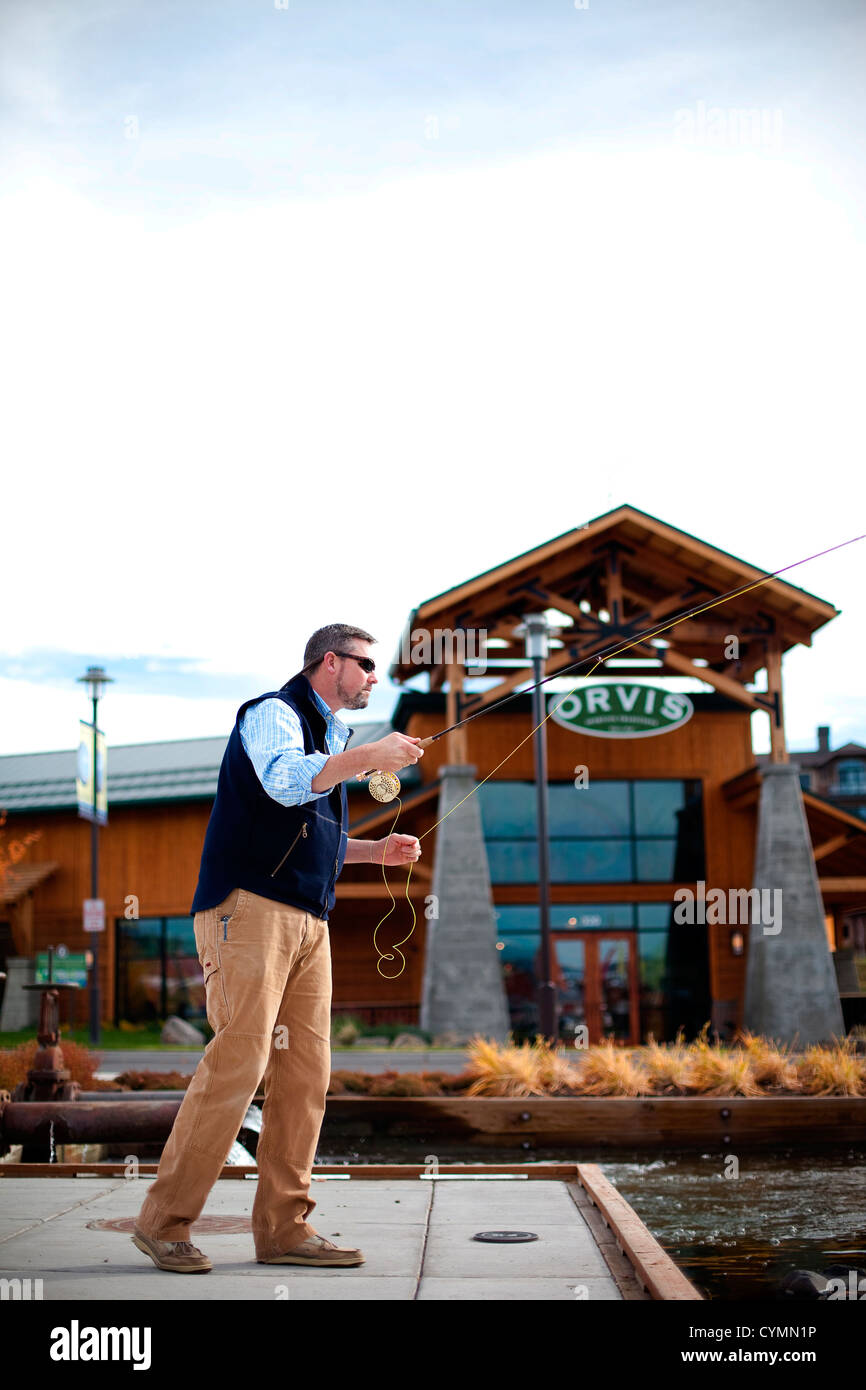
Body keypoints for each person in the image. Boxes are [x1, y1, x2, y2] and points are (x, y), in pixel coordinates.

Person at [131, 624, 424, 1273]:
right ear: (331, 662)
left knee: (305, 1073)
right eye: (366, 664)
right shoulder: (273, 713)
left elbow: (310, 833)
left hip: (307, 922)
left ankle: (283, 1230)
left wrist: (375, 850)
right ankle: (163, 1221)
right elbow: (287, 783)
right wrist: (372, 756)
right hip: (248, 909)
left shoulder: (333, 741)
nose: (375, 677)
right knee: (240, 1059)